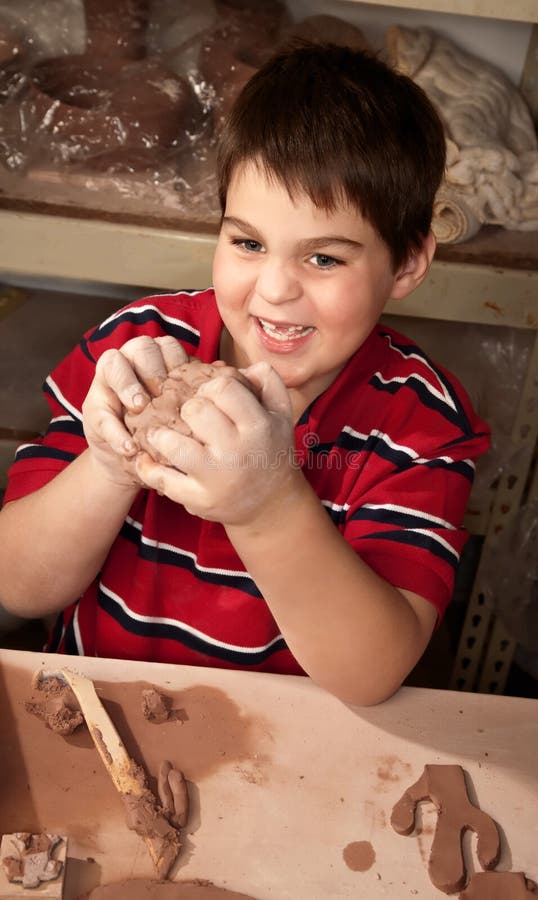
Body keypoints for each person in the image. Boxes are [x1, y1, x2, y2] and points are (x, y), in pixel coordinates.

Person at [0, 42, 490, 706]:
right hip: (95, 715)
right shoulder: (135, 345)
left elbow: (371, 673)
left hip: (285, 751)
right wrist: (111, 463)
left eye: (324, 259)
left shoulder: (418, 423)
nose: (275, 289)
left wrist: (267, 508)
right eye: (248, 243)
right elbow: (17, 586)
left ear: (406, 263)